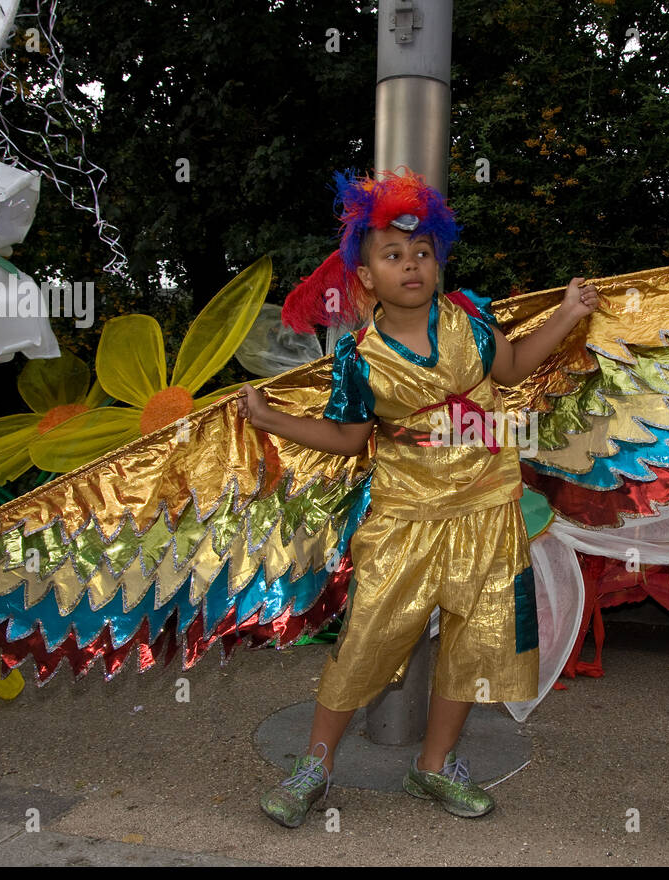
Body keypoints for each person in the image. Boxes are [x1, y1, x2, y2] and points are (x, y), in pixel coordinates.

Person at [236, 170, 598, 825]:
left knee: (475, 643)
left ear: (438, 264)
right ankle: (315, 766)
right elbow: (348, 439)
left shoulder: (471, 322)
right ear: (366, 276)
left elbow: (514, 370)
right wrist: (271, 421)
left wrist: (569, 314)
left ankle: (434, 767)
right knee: (370, 640)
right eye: (393, 254)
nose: (411, 263)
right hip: (407, 518)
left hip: (489, 510)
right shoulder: (360, 358)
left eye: (422, 252)